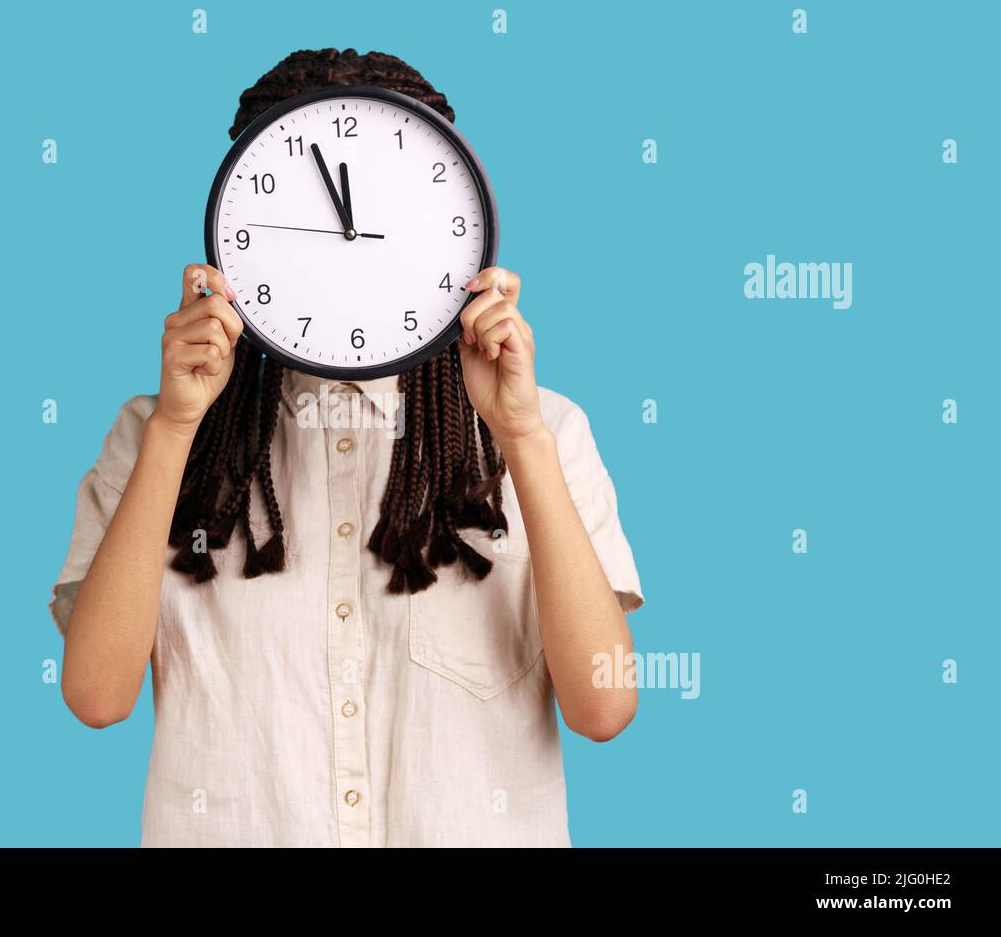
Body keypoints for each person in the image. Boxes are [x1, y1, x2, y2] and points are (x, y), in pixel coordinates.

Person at [48, 48, 644, 847]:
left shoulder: (546, 430)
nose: (348, 244)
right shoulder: (158, 433)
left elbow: (603, 708)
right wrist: (175, 428)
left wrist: (522, 436)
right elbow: (95, 695)